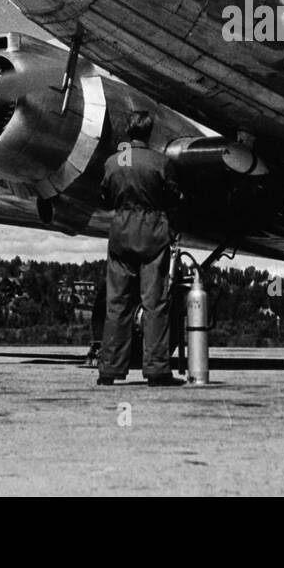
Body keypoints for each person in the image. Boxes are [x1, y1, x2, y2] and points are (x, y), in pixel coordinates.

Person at [97, 111, 183, 387]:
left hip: (121, 232)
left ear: (127, 131)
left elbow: (105, 199)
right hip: (153, 232)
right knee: (154, 302)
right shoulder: (161, 162)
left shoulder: (113, 162)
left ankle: (108, 371)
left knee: (117, 303)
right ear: (150, 133)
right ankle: (157, 370)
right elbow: (173, 197)